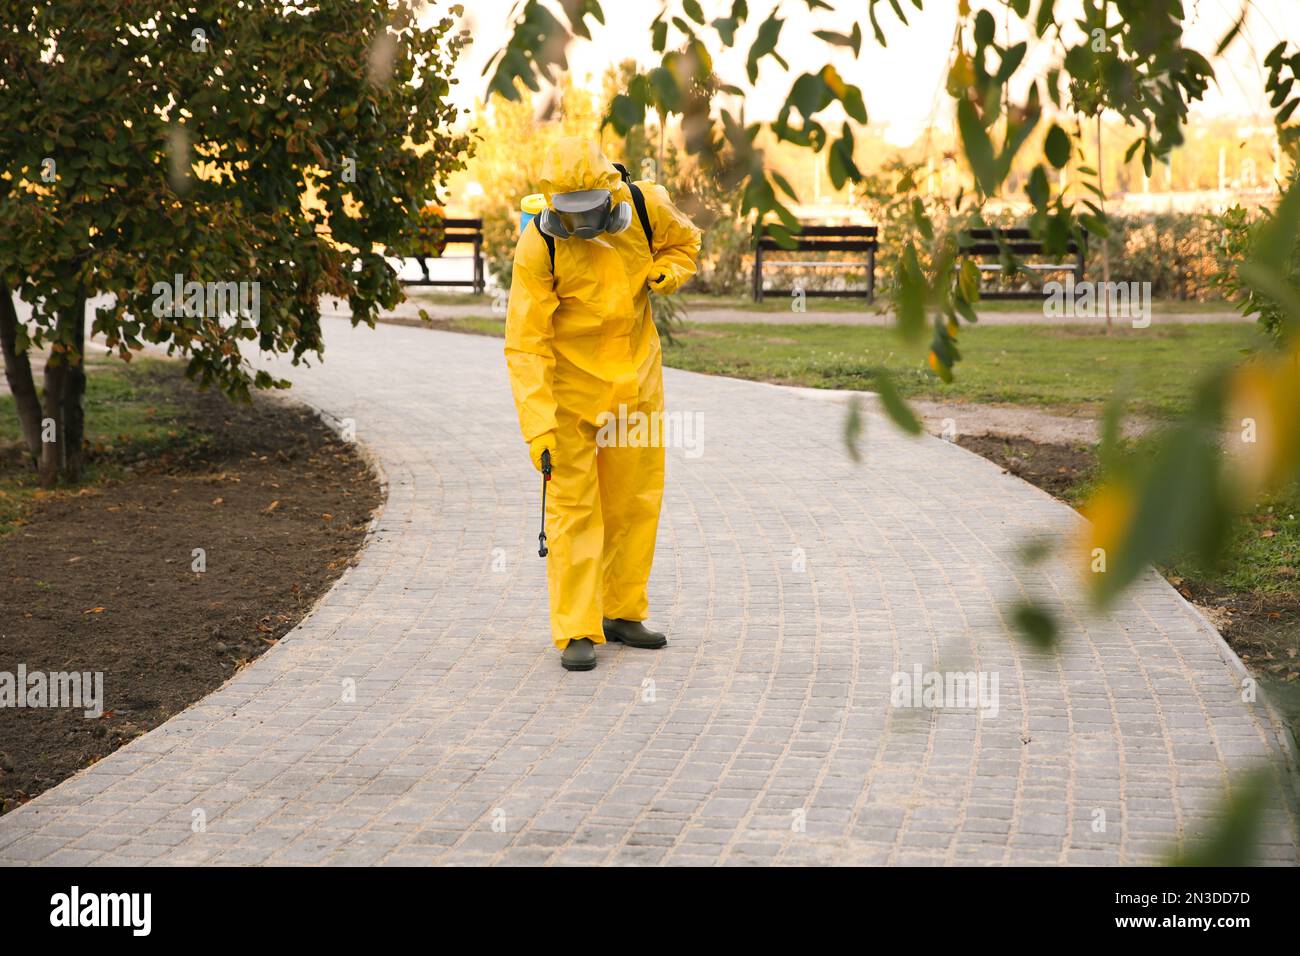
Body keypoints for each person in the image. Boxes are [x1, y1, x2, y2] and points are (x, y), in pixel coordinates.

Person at [505, 137, 701, 671]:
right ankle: (575, 630)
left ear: (608, 195)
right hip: (569, 401)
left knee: (633, 504)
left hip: (636, 389)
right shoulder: (539, 245)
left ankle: (621, 611)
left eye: (588, 214)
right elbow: (526, 342)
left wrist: (669, 273)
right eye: (566, 217)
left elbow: (685, 244)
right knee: (574, 513)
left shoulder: (645, 205)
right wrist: (538, 428)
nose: (578, 227)